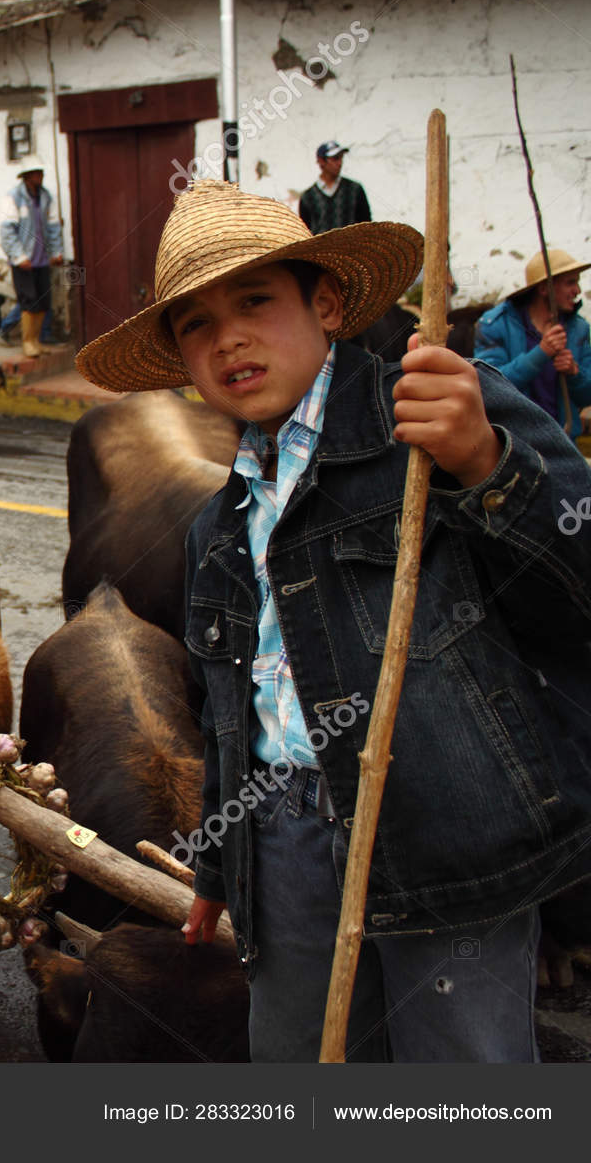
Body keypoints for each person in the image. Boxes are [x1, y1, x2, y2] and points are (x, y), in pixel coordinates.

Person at [77, 179, 591, 1062]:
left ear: (326, 301)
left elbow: (578, 588)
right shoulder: (217, 528)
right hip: (282, 852)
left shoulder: (437, 418)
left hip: (445, 834)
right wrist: (218, 861)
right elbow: (228, 718)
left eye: (254, 301)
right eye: (195, 324)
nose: (228, 335)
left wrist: (488, 463)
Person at [475, 247, 591, 436]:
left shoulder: (579, 329)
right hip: (516, 445)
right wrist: (541, 353)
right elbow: (489, 387)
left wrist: (574, 372)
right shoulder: (495, 324)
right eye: (570, 283)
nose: (577, 291)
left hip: (564, 445)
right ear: (545, 288)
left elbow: (587, 395)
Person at [0, 166, 65, 357]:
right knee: (29, 301)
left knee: (43, 300)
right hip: (24, 261)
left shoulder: (45, 197)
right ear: (27, 176)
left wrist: (56, 251)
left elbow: (53, 227)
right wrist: (18, 256)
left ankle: (36, 341)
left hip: (41, 258)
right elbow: (7, 231)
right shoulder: (14, 197)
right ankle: (27, 342)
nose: (40, 177)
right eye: (36, 174)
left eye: (41, 173)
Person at [298, 140, 371, 236]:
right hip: (321, 250)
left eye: (341, 158)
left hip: (351, 249)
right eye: (335, 158)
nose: (340, 163)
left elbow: (367, 227)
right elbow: (305, 234)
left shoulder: (355, 190)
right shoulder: (308, 197)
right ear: (321, 161)